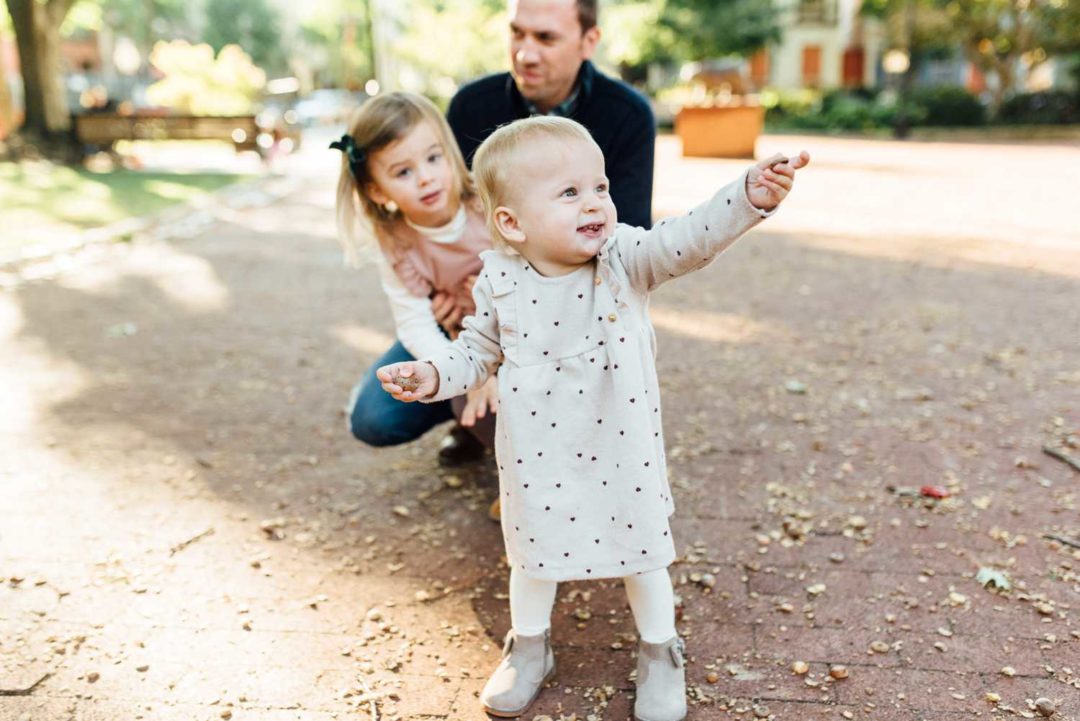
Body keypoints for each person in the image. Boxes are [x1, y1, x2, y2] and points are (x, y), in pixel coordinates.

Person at [375, 116, 810, 721]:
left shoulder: (623, 259)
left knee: (644, 552)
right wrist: (431, 375)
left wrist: (746, 198)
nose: (595, 204)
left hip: (621, 449)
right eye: (569, 193)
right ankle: (529, 645)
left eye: (600, 187)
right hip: (537, 455)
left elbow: (683, 240)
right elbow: (475, 352)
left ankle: (661, 650)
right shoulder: (501, 280)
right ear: (511, 223)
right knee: (531, 554)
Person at [333, 92, 498, 467]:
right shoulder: (396, 241)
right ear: (376, 189)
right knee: (374, 418)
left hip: (519, 330)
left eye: (433, 158)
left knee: (515, 390)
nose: (426, 178)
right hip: (452, 338)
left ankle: (531, 473)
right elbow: (414, 323)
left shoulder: (486, 203)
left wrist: (494, 296)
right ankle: (470, 421)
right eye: (403, 172)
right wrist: (465, 374)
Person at [447, 0, 655, 229]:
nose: (525, 56)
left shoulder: (628, 116)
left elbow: (626, 235)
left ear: (589, 41)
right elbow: (453, 219)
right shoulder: (469, 107)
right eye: (517, 33)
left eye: (545, 38)